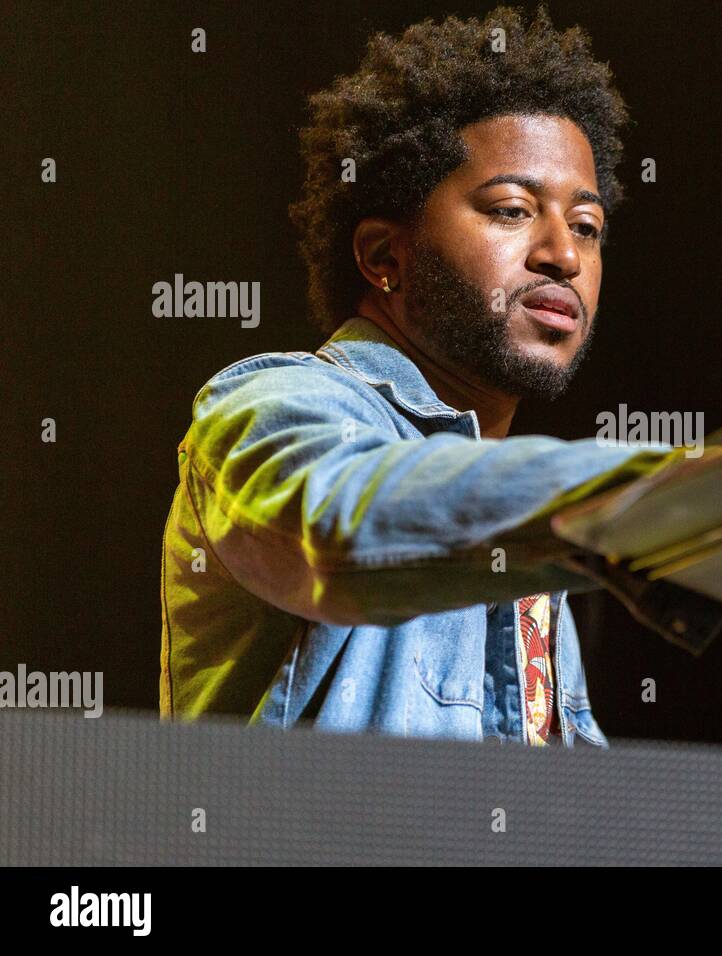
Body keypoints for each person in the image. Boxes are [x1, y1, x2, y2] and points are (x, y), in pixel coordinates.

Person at [159, 6, 676, 747]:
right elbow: (343, 535)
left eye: (587, 226)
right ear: (383, 257)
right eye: (512, 210)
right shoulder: (275, 402)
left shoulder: (524, 530)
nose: (563, 254)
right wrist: (663, 494)